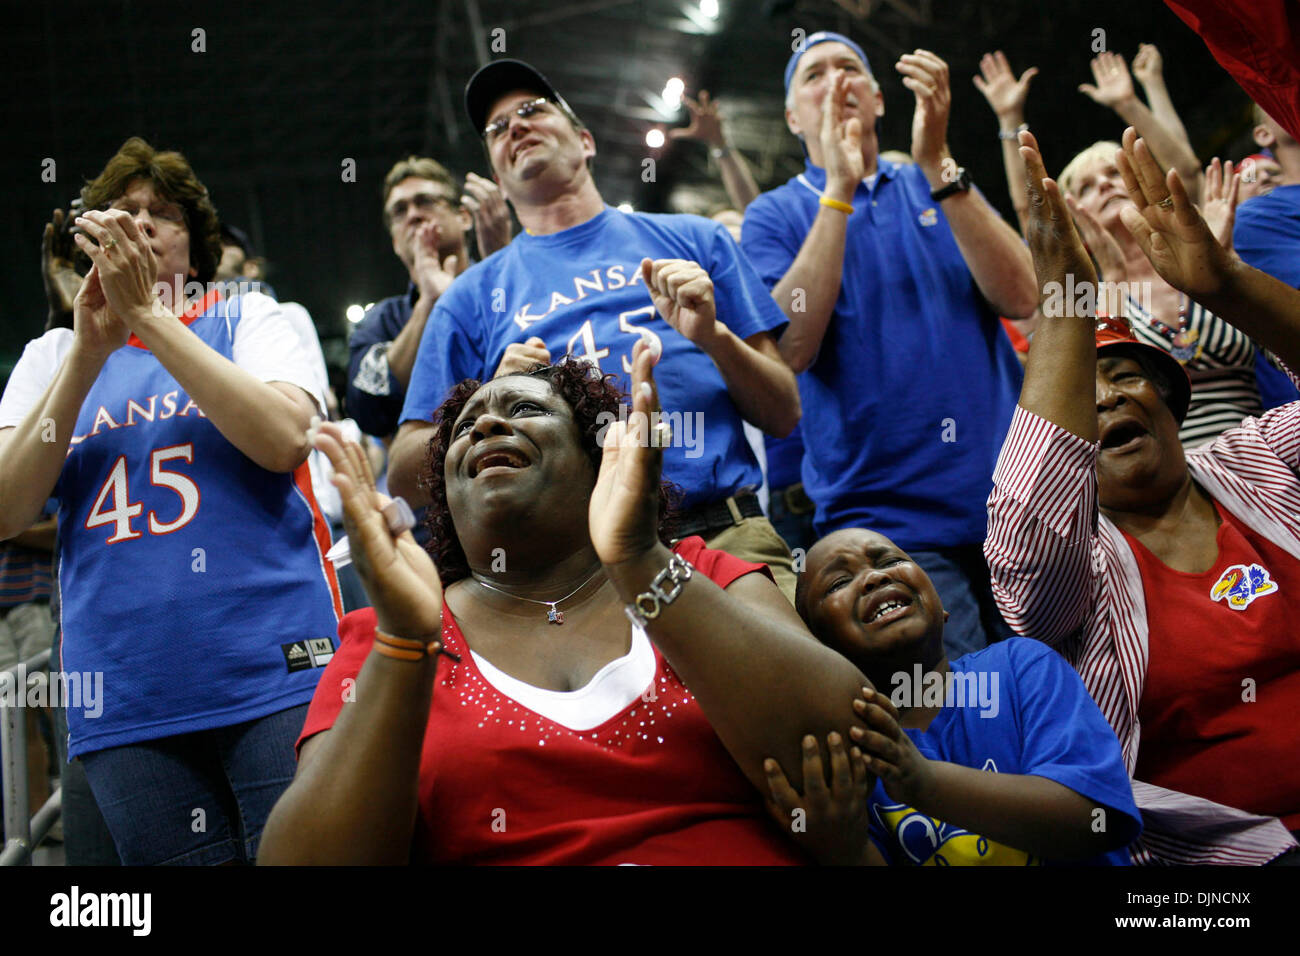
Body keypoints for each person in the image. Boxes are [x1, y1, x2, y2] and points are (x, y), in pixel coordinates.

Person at [259, 340, 872, 864]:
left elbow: (851, 736)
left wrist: (639, 560)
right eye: (465, 429)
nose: (487, 427)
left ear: (599, 455)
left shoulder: (699, 572)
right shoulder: (390, 633)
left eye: (524, 409)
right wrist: (404, 649)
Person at [0, 137, 341, 864]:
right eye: (123, 211)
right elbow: (5, 506)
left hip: (273, 667)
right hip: (124, 693)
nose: (143, 223)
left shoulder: (252, 318)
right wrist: (92, 349)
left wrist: (150, 321)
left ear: (196, 241)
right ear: (93, 238)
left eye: (163, 212)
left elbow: (284, 439)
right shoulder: (51, 357)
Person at [985, 127, 1300, 865]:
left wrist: (1224, 284)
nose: (1106, 400)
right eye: (1081, 396)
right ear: (1053, 453)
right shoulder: (1075, 572)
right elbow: (1027, 538)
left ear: (1167, 400)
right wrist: (1066, 302)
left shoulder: (1256, 459)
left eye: (1126, 378)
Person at [387, 59, 801, 600]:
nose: (515, 126)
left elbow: (784, 411)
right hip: (577, 575)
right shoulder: (469, 298)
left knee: (793, 686)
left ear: (585, 141)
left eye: (533, 111)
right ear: (495, 173)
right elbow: (401, 475)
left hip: (727, 540)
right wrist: (487, 397)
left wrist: (712, 337)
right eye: (497, 128)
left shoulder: (698, 239)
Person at [741, 32, 1037, 656]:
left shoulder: (932, 180)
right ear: (794, 117)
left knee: (1071, 693)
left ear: (878, 99)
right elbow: (792, 348)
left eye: (850, 67)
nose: (837, 80)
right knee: (961, 719)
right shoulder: (774, 214)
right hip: (888, 529)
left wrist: (937, 164)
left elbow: (1024, 295)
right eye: (814, 74)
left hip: (1016, 502)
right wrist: (838, 191)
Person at [759, 528, 1141, 866]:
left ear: (940, 605)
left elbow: (1095, 821)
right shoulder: (849, 760)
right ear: (820, 650)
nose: (875, 576)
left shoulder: (1021, 667)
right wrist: (844, 849)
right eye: (839, 582)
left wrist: (925, 783)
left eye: (890, 560)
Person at [1061, 145, 1262, 447]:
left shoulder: (1209, 259)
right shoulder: (1088, 300)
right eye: (1087, 187)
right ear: (1076, 218)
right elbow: (1100, 390)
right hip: (1169, 479)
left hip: (1263, 459)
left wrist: (1227, 266)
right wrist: (1113, 278)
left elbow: (1285, 343)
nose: (1104, 184)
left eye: (1115, 173)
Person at [347, 156, 511, 441]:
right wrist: (430, 303)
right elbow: (367, 409)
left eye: (425, 202)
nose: (413, 215)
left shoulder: (504, 283)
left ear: (464, 217)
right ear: (396, 242)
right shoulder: (381, 320)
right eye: (400, 211)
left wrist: (505, 260)